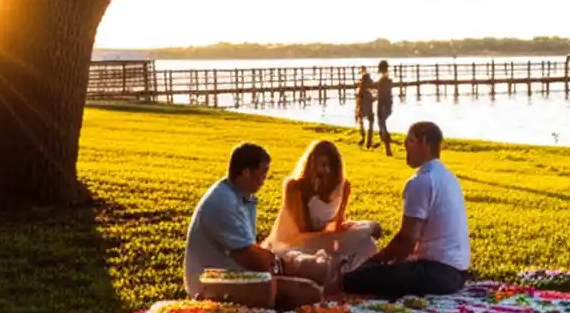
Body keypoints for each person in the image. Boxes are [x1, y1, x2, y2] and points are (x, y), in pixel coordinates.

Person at [182, 142, 332, 298]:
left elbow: (251, 248)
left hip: (236, 273)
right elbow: (249, 257)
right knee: (307, 292)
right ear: (246, 172)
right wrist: (283, 264)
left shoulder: (244, 197)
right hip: (209, 284)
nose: (265, 177)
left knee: (308, 276)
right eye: (263, 171)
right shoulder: (224, 201)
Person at [343, 121, 471, 298]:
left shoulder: (422, 181)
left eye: (410, 140)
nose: (404, 145)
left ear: (425, 143)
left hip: (437, 274)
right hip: (458, 274)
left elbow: (407, 240)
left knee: (353, 279)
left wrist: (375, 261)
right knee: (383, 275)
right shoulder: (448, 177)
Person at [264, 140, 381, 277]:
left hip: (323, 239)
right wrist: (314, 191)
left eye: (332, 166)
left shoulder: (344, 187)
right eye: (323, 165)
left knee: (368, 244)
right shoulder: (294, 187)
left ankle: (346, 274)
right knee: (314, 263)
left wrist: (348, 229)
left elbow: (338, 223)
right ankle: (337, 272)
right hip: (295, 243)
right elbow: (302, 230)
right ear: (312, 165)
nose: (327, 170)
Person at [374, 60, 395, 156]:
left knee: (382, 124)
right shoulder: (387, 80)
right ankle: (386, 146)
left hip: (383, 105)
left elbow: (381, 96)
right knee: (382, 124)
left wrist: (379, 107)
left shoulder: (383, 81)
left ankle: (388, 148)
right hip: (388, 105)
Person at [355, 68, 375, 148]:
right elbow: (369, 99)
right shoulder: (364, 91)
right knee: (371, 121)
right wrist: (377, 97)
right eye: (369, 80)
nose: (371, 81)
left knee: (364, 123)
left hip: (362, 109)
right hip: (365, 109)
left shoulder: (360, 89)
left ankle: (366, 139)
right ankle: (368, 141)